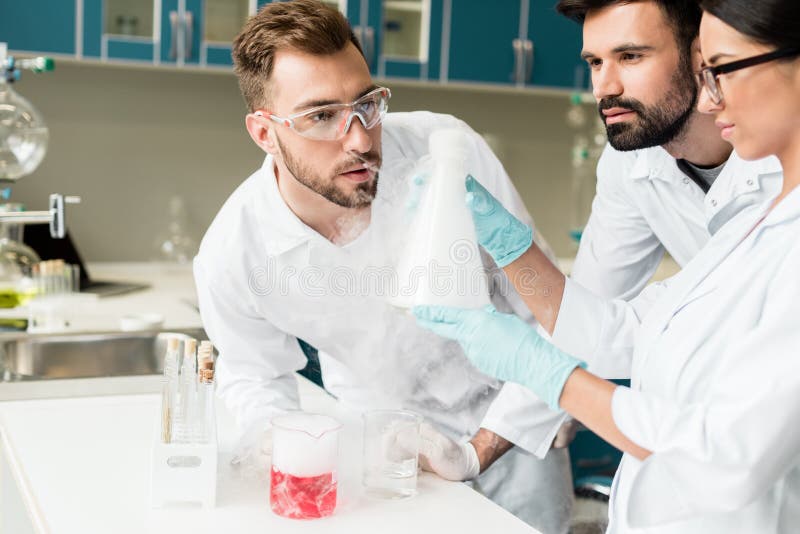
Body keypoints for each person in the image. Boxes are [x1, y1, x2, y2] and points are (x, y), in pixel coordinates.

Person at [415, 0, 800, 531]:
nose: (604, 87)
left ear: (698, 57)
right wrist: (509, 248)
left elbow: (728, 454)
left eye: (631, 56)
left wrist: (546, 371)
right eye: (595, 62)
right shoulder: (647, 169)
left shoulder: (772, 204)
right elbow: (598, 324)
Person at [193, 1, 572, 531]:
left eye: (367, 105)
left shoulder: (446, 154)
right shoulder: (235, 251)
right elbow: (255, 371)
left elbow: (549, 313)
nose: (359, 138)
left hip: (513, 429)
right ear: (263, 132)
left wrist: (481, 448)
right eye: (321, 115)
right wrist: (276, 443)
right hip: (382, 452)